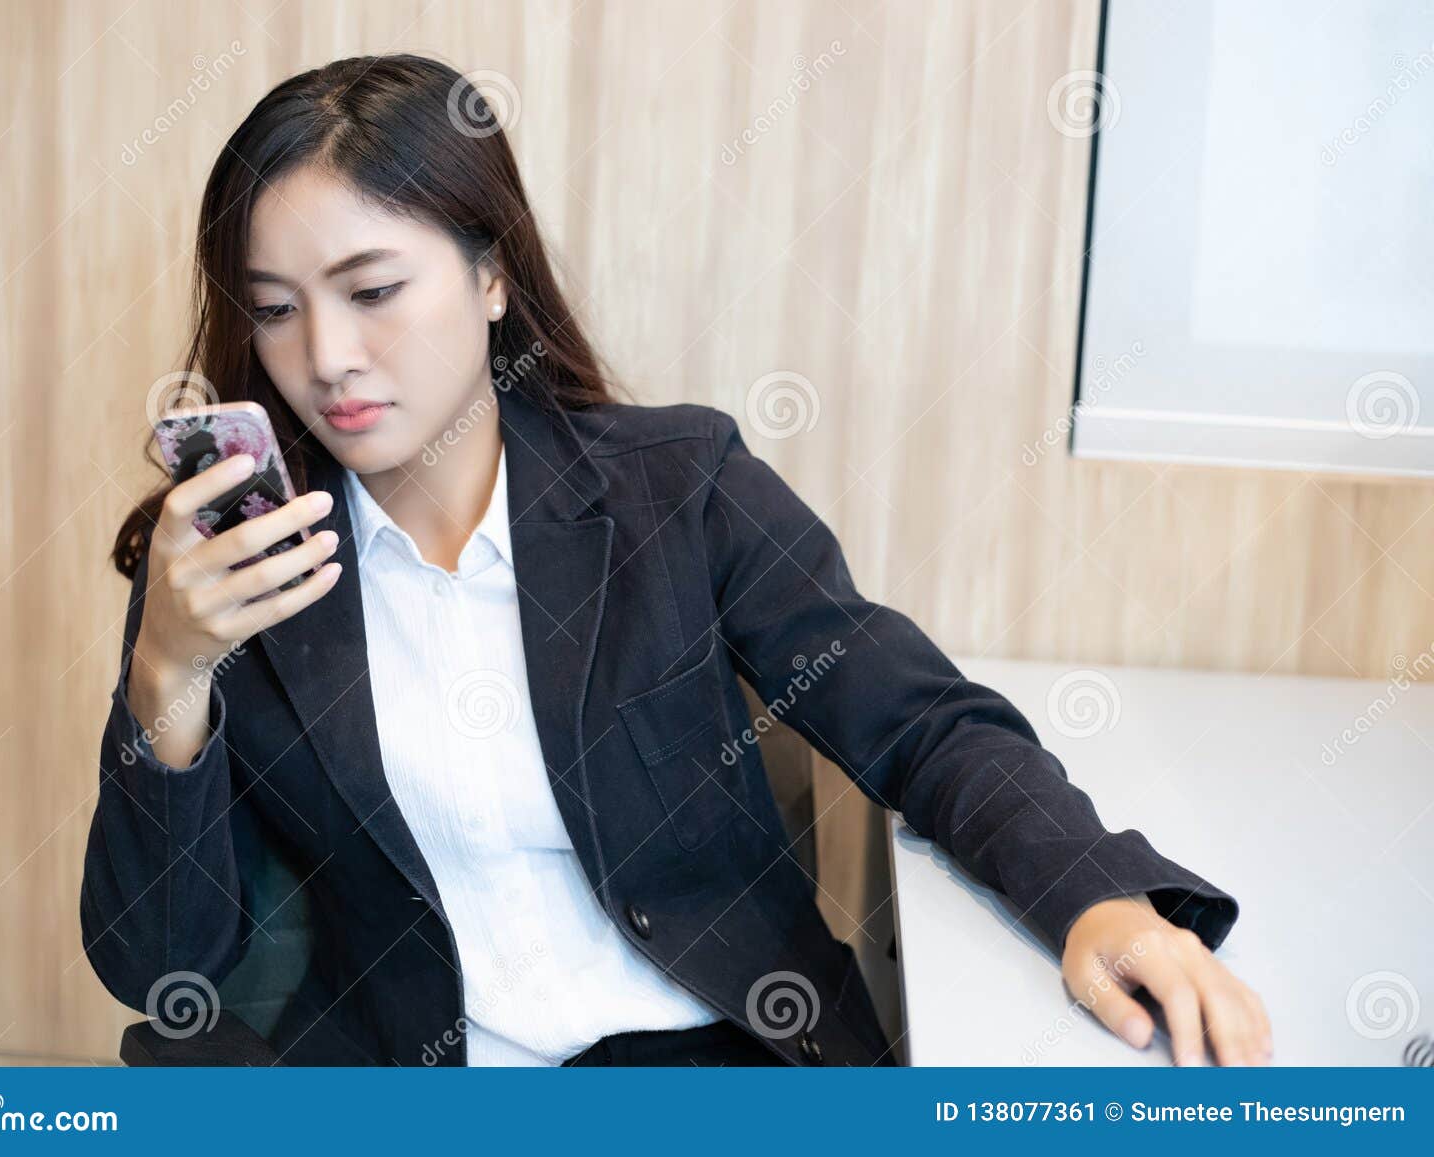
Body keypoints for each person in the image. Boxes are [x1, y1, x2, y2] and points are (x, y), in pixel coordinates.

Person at [80, 53, 1271, 1067]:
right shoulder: (232, 567)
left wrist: (1092, 893)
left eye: (374, 288)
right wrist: (165, 679)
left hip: (713, 1055)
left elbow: (917, 723)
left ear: (492, 275)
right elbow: (161, 963)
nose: (327, 355)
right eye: (276, 309)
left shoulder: (674, 489)